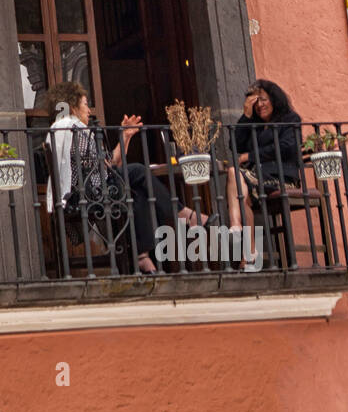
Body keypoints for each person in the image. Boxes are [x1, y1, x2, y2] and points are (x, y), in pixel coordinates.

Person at [45, 81, 199, 274]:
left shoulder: (74, 130)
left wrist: (125, 136)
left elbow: (109, 163)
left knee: (138, 191)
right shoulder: (68, 127)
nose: (89, 111)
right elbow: (106, 165)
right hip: (84, 193)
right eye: (85, 104)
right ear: (73, 105)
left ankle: (142, 256)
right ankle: (183, 214)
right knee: (137, 171)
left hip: (96, 188)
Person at [231, 79, 303, 209]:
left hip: (281, 177)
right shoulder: (255, 125)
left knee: (237, 181)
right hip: (257, 174)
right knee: (240, 190)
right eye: (255, 101)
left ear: (274, 99)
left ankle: (237, 225)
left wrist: (250, 156)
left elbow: (286, 147)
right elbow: (235, 145)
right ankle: (238, 226)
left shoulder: (289, 119)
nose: (259, 105)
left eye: (263, 99)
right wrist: (246, 116)